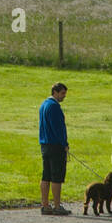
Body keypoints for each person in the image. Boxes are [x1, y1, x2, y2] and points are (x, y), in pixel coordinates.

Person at [39, 83, 71, 215]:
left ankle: (45, 205)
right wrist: (64, 143)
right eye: (62, 93)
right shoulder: (54, 107)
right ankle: (57, 206)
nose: (64, 96)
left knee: (46, 175)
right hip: (56, 145)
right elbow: (58, 128)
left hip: (45, 144)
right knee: (57, 176)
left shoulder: (44, 104)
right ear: (55, 92)